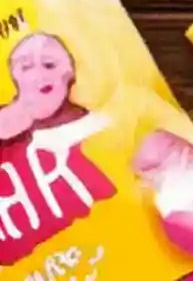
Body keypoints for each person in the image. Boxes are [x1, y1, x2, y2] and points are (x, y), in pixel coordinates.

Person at [0, 32, 115, 265]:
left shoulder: (99, 127)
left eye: (49, 64)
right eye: (26, 67)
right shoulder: (9, 136)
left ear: (70, 72)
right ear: (15, 77)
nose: (38, 75)